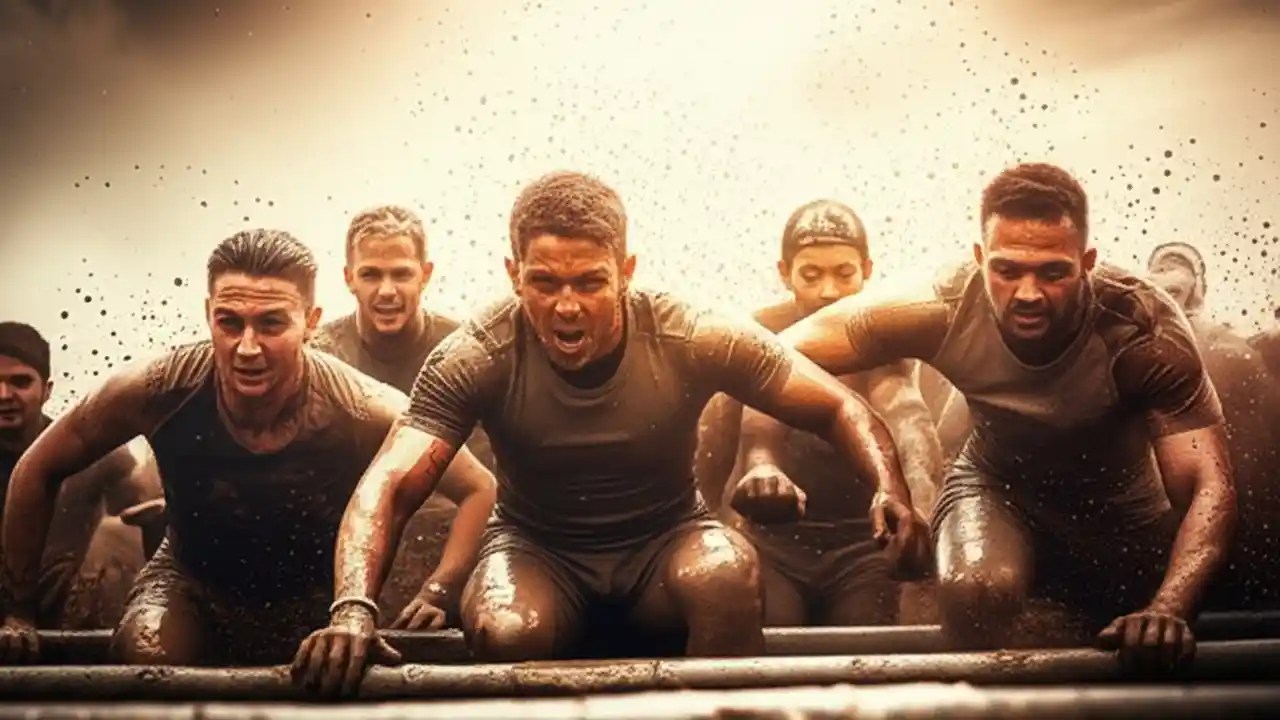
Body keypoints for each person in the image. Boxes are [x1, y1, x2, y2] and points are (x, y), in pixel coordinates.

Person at [291, 171, 930, 698]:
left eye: (590, 283)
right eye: (545, 284)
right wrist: (353, 607)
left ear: (625, 270)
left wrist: (889, 488)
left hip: (668, 539)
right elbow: (392, 481)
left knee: (727, 573)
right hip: (537, 551)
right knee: (506, 626)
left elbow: (836, 406)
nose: (567, 306)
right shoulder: (478, 353)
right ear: (515, 274)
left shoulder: (689, 331)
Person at [752, 163, 1236, 671]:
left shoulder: (1141, 329)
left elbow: (1209, 483)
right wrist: (887, 482)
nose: (1028, 293)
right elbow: (763, 357)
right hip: (997, 488)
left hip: (1124, 512)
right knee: (974, 589)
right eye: (1007, 271)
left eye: (1053, 272)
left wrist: (1168, 608)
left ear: (1087, 262)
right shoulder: (940, 304)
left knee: (1138, 632)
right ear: (980, 259)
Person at [0, 230, 494, 665]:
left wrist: (438, 590)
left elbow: (478, 487)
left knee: (338, 663)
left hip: (319, 598)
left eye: (272, 324)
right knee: (145, 651)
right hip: (191, 584)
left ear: (311, 322)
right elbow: (36, 468)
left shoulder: (362, 406)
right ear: (208, 314)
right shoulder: (156, 388)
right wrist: (18, 613)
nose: (248, 347)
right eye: (230, 323)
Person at [695, 200, 943, 627]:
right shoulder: (753, 332)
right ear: (784, 272)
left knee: (866, 626)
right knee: (764, 620)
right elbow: (715, 451)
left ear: (867, 271)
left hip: (861, 545)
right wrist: (707, 535)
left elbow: (909, 422)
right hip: (772, 544)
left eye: (844, 274)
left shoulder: (885, 340)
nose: (829, 291)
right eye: (811, 275)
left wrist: (921, 517)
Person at [311, 205, 496, 630]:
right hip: (352, 540)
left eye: (401, 274)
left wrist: (443, 587)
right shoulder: (321, 355)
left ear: (425, 274)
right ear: (348, 279)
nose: (387, 291)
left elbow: (490, 487)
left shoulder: (468, 352)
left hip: (455, 539)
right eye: (371, 275)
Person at [0, 322, 162, 632]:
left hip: (68, 610)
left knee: (117, 535)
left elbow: (145, 512)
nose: (4, 395)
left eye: (20, 382)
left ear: (46, 390)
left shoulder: (92, 456)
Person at [1148, 244, 1280, 610]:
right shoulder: (1135, 343)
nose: (1171, 270)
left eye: (1183, 265)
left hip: (1244, 512)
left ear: (1199, 286)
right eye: (1163, 264)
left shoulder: (1235, 349)